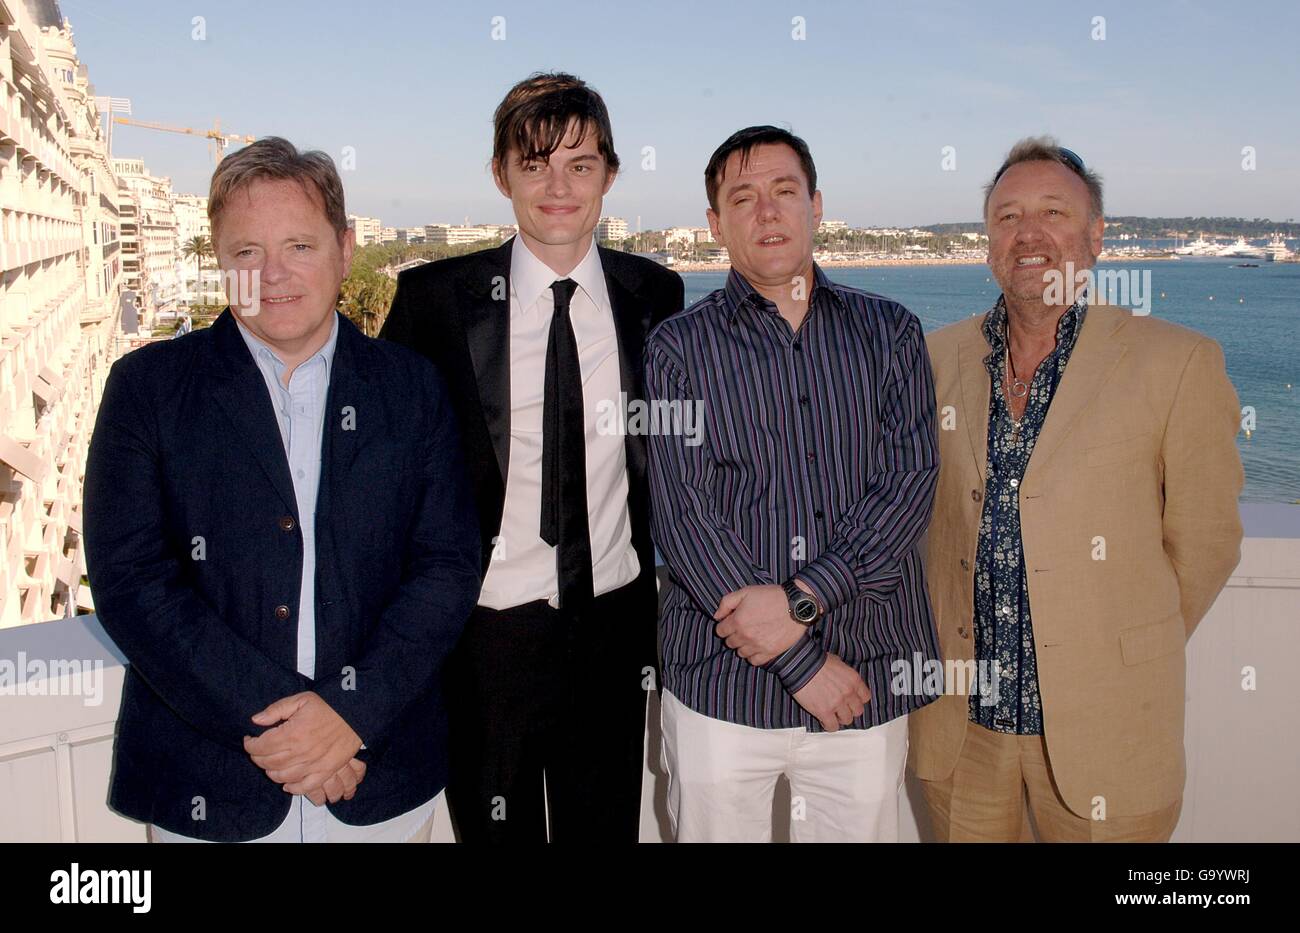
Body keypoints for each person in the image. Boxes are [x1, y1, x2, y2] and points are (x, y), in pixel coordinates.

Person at [83, 137, 481, 842]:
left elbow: (447, 566)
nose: (272, 274)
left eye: (299, 245)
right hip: (212, 783)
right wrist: (296, 728)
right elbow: (132, 580)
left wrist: (351, 715)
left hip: (378, 773)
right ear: (218, 259)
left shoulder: (411, 387)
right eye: (245, 252)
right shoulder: (147, 388)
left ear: (345, 246)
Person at [909, 137, 1244, 842]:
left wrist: (1114, 648)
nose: (1028, 234)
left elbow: (1205, 542)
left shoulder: (1176, 362)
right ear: (987, 243)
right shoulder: (933, 359)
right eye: (1006, 218)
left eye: (1054, 212)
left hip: (1109, 729)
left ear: (1095, 236)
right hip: (963, 730)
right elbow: (917, 521)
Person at [380, 73, 684, 843]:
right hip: (483, 639)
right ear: (500, 172)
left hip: (615, 632)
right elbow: (382, 468)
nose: (558, 186)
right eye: (534, 162)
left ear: (609, 176)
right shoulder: (433, 300)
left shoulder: (656, 294)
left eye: (580, 166)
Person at [644, 125, 941, 842]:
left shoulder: (892, 333)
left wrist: (803, 601)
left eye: (784, 192)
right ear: (715, 224)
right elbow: (684, 517)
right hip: (720, 684)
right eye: (742, 198)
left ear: (815, 204)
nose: (767, 212)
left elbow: (908, 487)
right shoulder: (677, 347)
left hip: (862, 675)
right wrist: (803, 657)